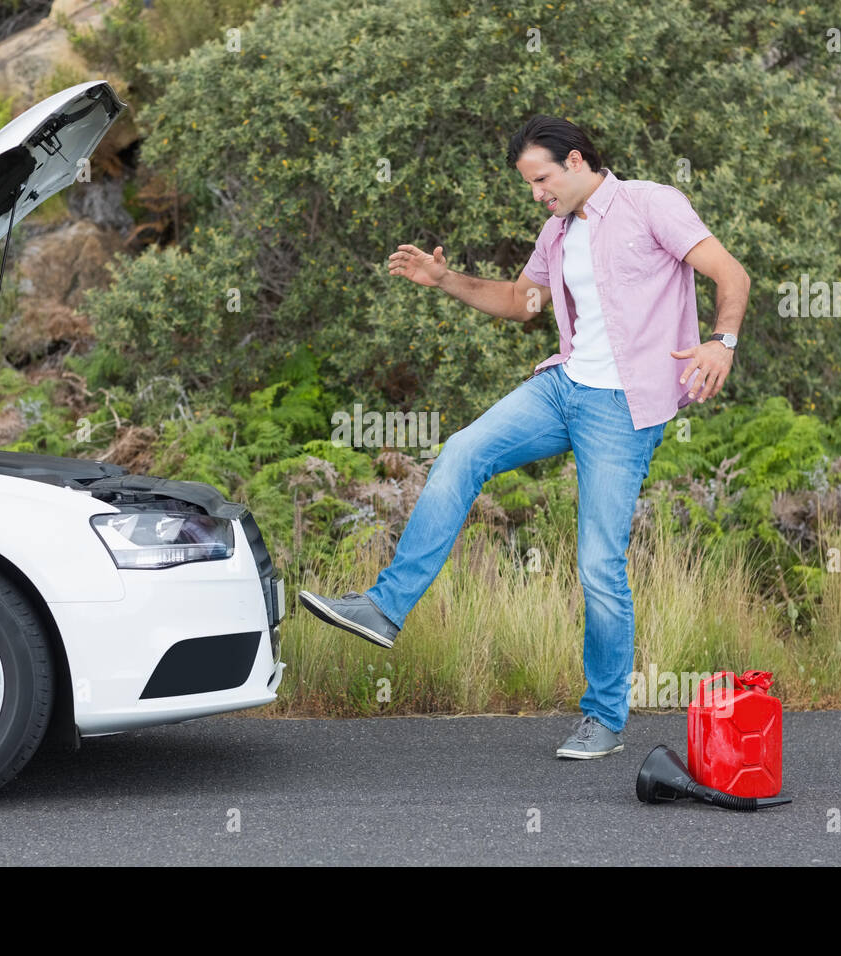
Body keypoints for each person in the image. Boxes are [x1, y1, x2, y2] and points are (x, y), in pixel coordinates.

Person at [299, 114, 750, 758]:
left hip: (623, 406)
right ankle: (384, 606)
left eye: (540, 179)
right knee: (461, 451)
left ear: (573, 160)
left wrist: (722, 342)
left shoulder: (653, 204)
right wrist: (445, 280)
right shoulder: (557, 232)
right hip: (563, 387)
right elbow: (523, 301)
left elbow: (731, 275)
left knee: (598, 564)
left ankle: (604, 718)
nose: (536, 193)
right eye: (529, 184)